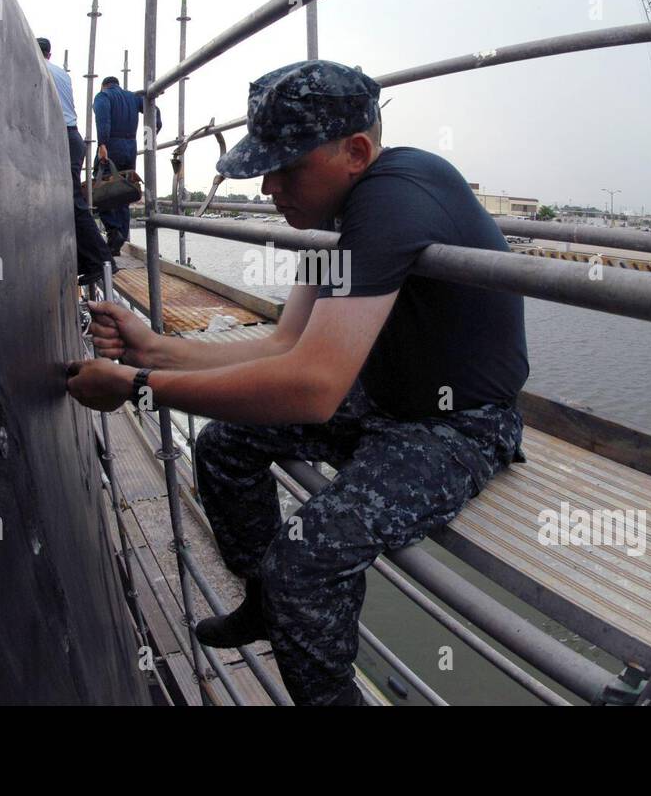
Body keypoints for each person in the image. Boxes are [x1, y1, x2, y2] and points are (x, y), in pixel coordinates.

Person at [65, 60, 528, 706]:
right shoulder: (343, 213)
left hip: (460, 424)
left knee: (304, 569)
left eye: (286, 168)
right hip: (386, 397)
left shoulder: (391, 202)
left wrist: (138, 384)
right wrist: (156, 351)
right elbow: (288, 346)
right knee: (224, 446)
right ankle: (262, 602)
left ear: (356, 152)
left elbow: (313, 387)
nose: (269, 188)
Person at [37, 37, 114, 284]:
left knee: (71, 202)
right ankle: (86, 259)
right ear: (50, 53)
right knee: (68, 202)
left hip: (59, 137)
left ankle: (102, 261)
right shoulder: (61, 73)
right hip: (71, 137)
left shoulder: (33, 66)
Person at [92, 76, 160, 256]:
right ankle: (120, 235)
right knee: (123, 192)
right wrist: (154, 132)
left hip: (111, 146)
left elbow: (103, 119)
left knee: (101, 191)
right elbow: (154, 111)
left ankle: (114, 231)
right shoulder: (132, 97)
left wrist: (102, 144)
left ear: (104, 85)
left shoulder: (103, 96)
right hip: (130, 148)